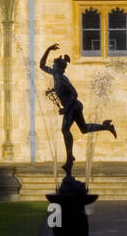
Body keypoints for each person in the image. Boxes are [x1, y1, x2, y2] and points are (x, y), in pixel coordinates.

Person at [40, 43, 116, 176]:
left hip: (74, 106)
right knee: (84, 128)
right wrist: (48, 49)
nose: (52, 66)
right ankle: (106, 126)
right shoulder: (55, 75)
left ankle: (70, 157)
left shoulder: (62, 78)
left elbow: (74, 94)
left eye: (54, 65)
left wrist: (65, 109)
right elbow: (41, 65)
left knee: (65, 129)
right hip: (73, 107)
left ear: (59, 68)